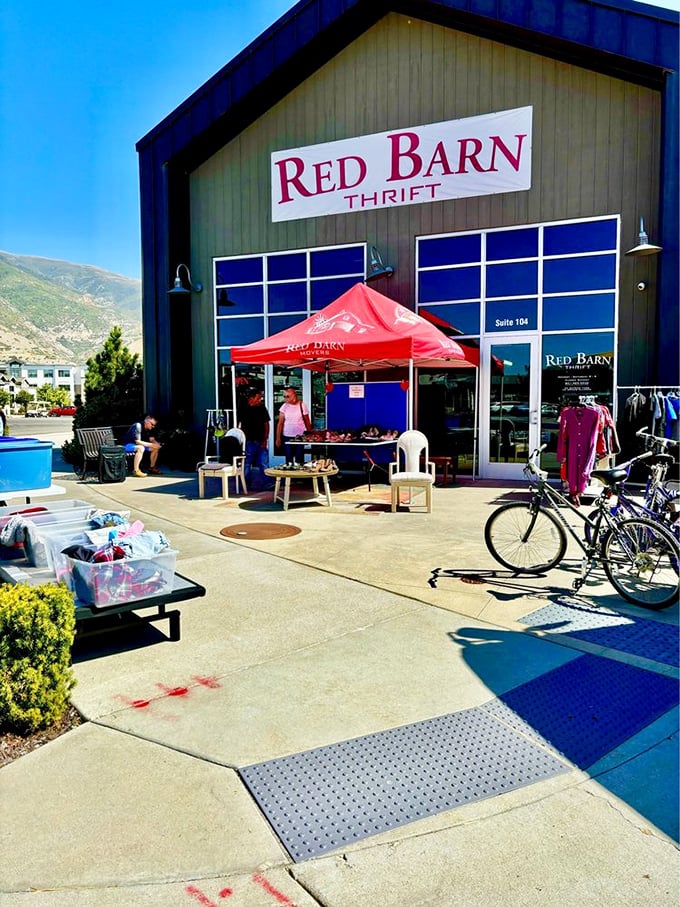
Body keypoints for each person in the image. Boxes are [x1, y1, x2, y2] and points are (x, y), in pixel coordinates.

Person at [238, 387, 272, 490]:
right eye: (258, 398)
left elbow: (266, 424)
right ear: (251, 398)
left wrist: (265, 439)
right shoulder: (243, 408)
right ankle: (245, 483)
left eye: (260, 398)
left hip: (260, 439)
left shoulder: (261, 408)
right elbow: (238, 423)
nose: (260, 400)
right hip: (248, 440)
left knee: (263, 463)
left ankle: (267, 483)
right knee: (247, 463)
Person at [276, 385, 311, 456]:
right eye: (284, 396)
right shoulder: (284, 406)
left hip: (300, 435)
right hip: (287, 435)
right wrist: (278, 438)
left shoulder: (302, 405)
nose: (285, 398)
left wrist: (309, 435)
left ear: (293, 396)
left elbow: (307, 421)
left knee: (299, 456)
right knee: (288, 456)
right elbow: (280, 423)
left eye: (287, 396)